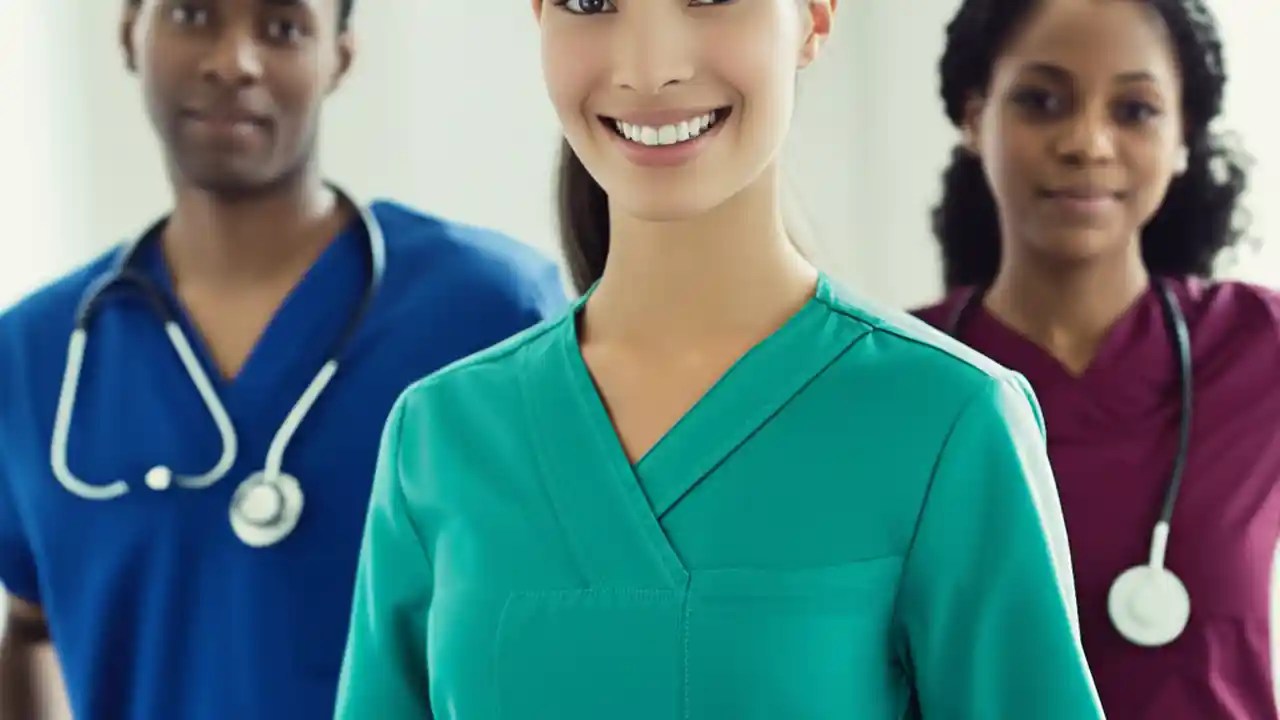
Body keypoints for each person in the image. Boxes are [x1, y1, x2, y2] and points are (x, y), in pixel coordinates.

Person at [334, 0, 1105, 717]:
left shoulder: (949, 421)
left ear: (813, 16)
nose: (648, 66)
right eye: (591, 1)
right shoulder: (441, 436)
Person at [0, 1, 568, 718]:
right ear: (128, 34)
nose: (234, 61)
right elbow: (29, 628)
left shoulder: (494, 313)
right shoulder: (32, 358)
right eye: (193, 13)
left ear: (340, 57)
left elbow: (578, 616)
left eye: (283, 28)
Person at [912, 0, 1277, 718]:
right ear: (973, 116)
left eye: (1135, 110)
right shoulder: (893, 376)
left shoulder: (1260, 349)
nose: (1087, 142)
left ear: (1183, 138)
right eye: (1042, 101)